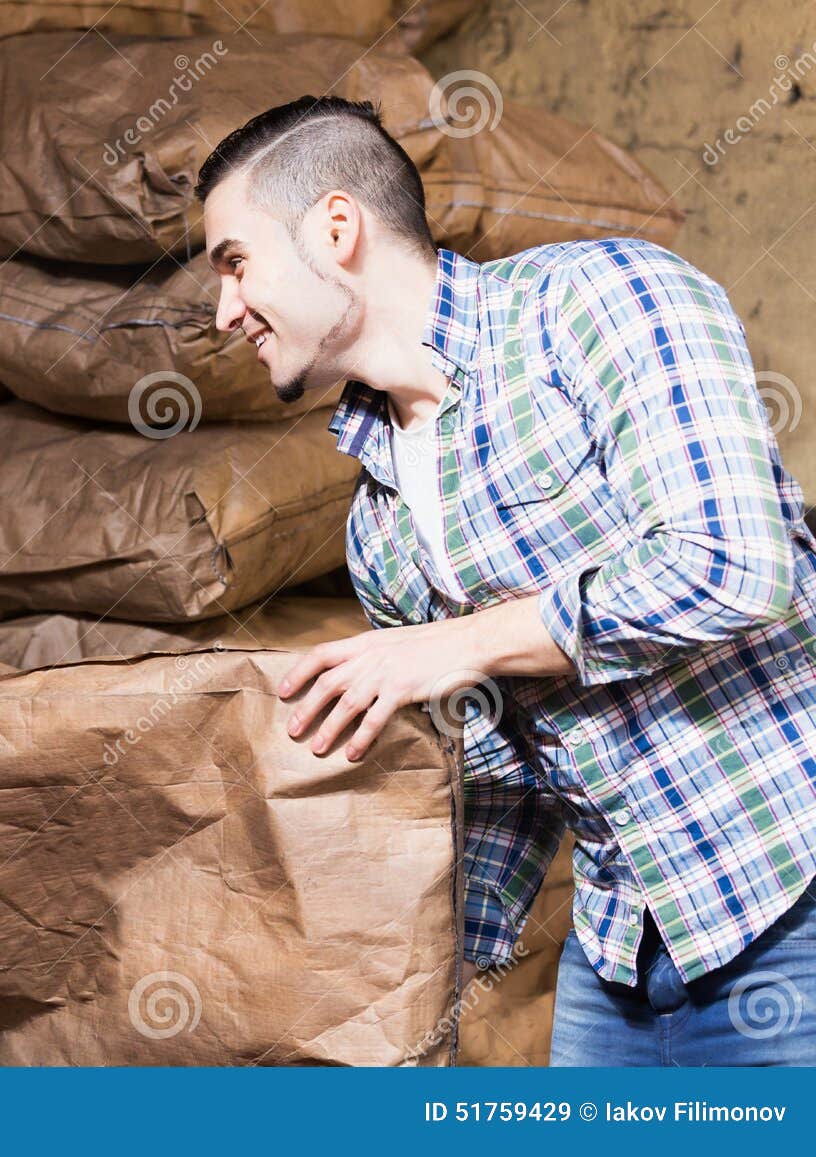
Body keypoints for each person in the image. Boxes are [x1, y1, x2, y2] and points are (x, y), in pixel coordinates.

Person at [197, 96, 816, 1064]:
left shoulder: (600, 300)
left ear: (335, 226)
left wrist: (443, 645)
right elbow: (506, 782)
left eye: (233, 262)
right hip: (621, 949)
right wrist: (407, 1002)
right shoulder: (380, 522)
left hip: (789, 894)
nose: (222, 310)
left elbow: (733, 563)